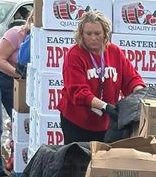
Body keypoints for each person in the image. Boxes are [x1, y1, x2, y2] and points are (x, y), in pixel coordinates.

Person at [58, 10, 145, 143]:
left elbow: (132, 79)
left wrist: (140, 94)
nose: (93, 38)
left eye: (97, 33)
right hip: (77, 121)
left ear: (105, 34)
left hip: (105, 123)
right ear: (81, 35)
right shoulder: (74, 55)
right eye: (88, 34)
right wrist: (105, 107)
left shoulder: (114, 51)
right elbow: (79, 92)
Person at [0, 13, 32, 177]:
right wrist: (19, 74)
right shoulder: (16, 34)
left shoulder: (37, 40)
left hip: (13, 81)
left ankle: (17, 161)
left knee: (20, 121)